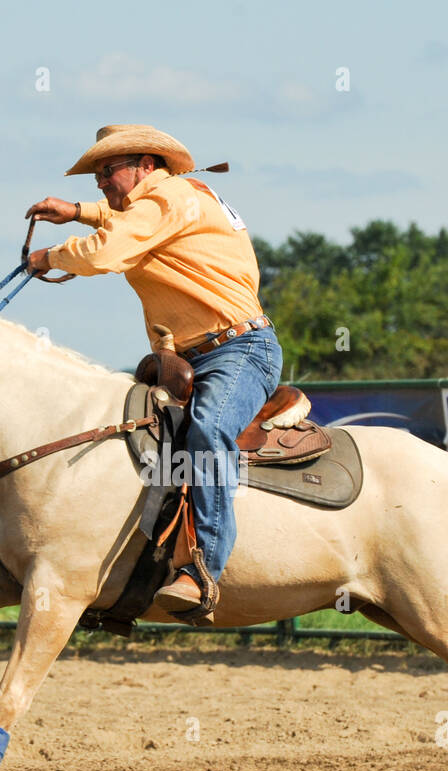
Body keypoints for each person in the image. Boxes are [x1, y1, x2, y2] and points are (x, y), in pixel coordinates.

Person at [25, 124, 282, 618]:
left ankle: (203, 573)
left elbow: (107, 249)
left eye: (107, 171)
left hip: (239, 351)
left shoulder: (170, 198)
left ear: (146, 164)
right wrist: (80, 212)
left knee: (207, 432)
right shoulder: (171, 198)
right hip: (197, 356)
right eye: (95, 176)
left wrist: (51, 255)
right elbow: (128, 218)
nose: (100, 182)